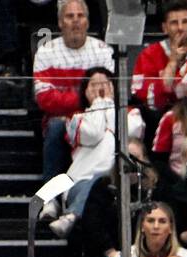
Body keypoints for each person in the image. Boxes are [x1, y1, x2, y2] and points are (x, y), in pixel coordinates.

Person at [33, 0, 114, 187]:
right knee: (56, 127)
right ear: (60, 22)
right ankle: (50, 200)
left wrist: (71, 102)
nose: (76, 21)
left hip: (98, 116)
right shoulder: (46, 52)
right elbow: (45, 99)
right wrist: (85, 98)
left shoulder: (104, 51)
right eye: (70, 16)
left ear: (87, 21)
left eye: (80, 16)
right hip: (61, 120)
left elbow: (109, 94)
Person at [130, 0, 187, 117]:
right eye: (174, 23)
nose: (180, 28)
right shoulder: (149, 54)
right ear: (164, 27)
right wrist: (173, 60)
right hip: (157, 115)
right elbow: (148, 100)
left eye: (185, 22)